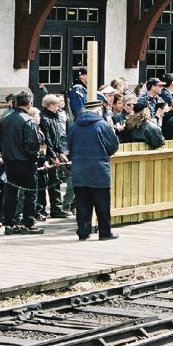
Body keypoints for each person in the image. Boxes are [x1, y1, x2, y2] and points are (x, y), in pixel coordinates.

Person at [68, 99, 120, 241]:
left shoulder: (74, 126)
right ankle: (105, 232)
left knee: (82, 203)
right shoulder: (102, 125)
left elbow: (70, 146)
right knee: (102, 204)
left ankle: (83, 232)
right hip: (99, 169)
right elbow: (113, 145)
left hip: (79, 169)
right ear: (98, 110)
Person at [0, 91, 44, 235]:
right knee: (30, 193)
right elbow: (32, 145)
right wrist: (34, 159)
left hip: (9, 161)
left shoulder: (5, 118)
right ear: (29, 103)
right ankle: (28, 222)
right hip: (25, 162)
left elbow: (2, 142)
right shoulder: (28, 120)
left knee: (11, 193)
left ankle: (10, 223)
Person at [39, 94, 69, 219]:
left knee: (56, 181)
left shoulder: (54, 117)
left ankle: (56, 208)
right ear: (51, 105)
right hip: (46, 154)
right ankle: (48, 209)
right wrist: (53, 156)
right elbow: (48, 140)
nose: (58, 107)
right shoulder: (45, 118)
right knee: (48, 182)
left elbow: (57, 137)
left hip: (54, 151)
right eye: (57, 104)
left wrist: (61, 151)